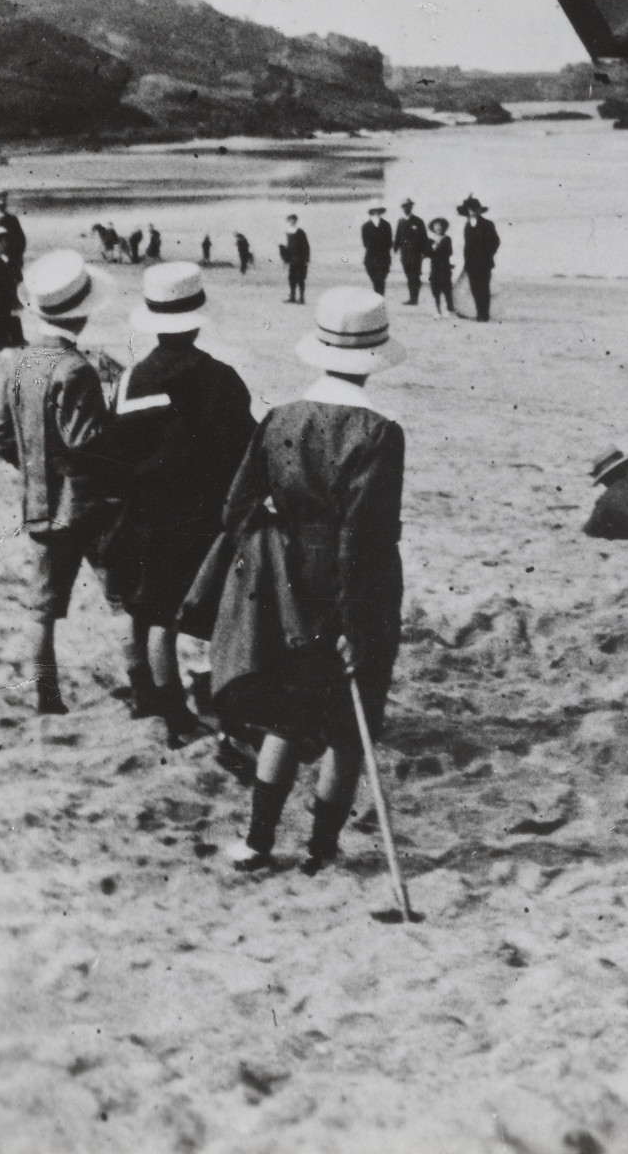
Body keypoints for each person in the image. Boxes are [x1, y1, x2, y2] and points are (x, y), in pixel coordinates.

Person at [203, 288, 406, 873]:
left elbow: (236, 509)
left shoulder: (279, 418)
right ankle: (320, 850)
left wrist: (282, 544)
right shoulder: (379, 432)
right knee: (347, 730)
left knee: (288, 719)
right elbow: (365, 539)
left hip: (288, 588)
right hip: (353, 588)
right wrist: (354, 620)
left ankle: (258, 841)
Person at [104, 263, 255, 747]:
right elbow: (243, 452)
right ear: (195, 322)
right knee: (187, 617)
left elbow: (116, 451)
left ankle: (158, 701)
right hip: (199, 518)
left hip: (145, 515)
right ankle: (192, 710)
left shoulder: (132, 381)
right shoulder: (221, 380)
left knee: (148, 612)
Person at [0, 250, 121, 714]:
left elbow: (1, 434)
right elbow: (88, 445)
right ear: (81, 315)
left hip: (42, 504)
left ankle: (45, 693)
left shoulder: (20, 363)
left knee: (42, 607)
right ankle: (144, 684)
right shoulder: (76, 369)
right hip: (89, 506)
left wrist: (34, 469)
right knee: (122, 596)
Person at [459, 196, 500, 322]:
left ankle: (484, 314)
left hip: (484, 262)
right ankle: (479, 313)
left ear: (479, 210)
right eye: (470, 209)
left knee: (483, 288)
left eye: (475, 209)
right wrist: (466, 261)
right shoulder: (467, 226)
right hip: (471, 263)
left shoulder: (487, 224)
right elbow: (467, 245)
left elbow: (495, 242)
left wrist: (487, 255)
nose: (472, 211)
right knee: (474, 288)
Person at [393, 199, 429, 306]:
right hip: (405, 254)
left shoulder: (418, 221)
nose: (406, 208)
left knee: (415, 276)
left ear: (411, 207)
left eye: (408, 206)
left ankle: (414, 298)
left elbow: (424, 238)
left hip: (416, 254)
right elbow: (398, 237)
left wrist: (425, 252)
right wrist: (394, 250)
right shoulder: (400, 222)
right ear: (402, 208)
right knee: (409, 276)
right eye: (404, 206)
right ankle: (411, 297)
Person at [0, 192, 27, 274]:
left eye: (4, 199)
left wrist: (14, 258)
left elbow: (21, 241)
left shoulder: (12, 220)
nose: (2, 202)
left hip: (10, 265)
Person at [360, 204, 393, 296]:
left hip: (384, 258)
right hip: (371, 259)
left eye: (379, 211)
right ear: (372, 211)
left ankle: (379, 298)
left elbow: (389, 242)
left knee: (381, 280)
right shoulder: (366, 226)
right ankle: (378, 297)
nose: (377, 213)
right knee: (375, 280)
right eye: (375, 210)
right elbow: (365, 243)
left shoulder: (386, 225)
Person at [426, 217, 454, 315]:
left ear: (444, 228)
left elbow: (450, 252)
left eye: (441, 226)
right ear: (433, 228)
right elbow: (427, 253)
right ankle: (437, 310)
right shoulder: (429, 240)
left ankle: (449, 309)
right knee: (435, 289)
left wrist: (439, 247)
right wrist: (433, 248)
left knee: (447, 289)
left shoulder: (447, 239)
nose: (439, 228)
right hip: (434, 267)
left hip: (445, 267)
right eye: (436, 226)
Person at [280, 215, 311, 304]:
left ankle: (301, 298)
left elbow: (306, 246)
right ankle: (292, 297)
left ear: (296, 221)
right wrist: (285, 258)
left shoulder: (300, 232)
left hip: (300, 259)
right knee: (291, 279)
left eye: (293, 220)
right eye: (289, 220)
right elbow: (285, 246)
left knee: (300, 279)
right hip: (292, 259)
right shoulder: (287, 232)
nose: (291, 222)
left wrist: (306, 258)